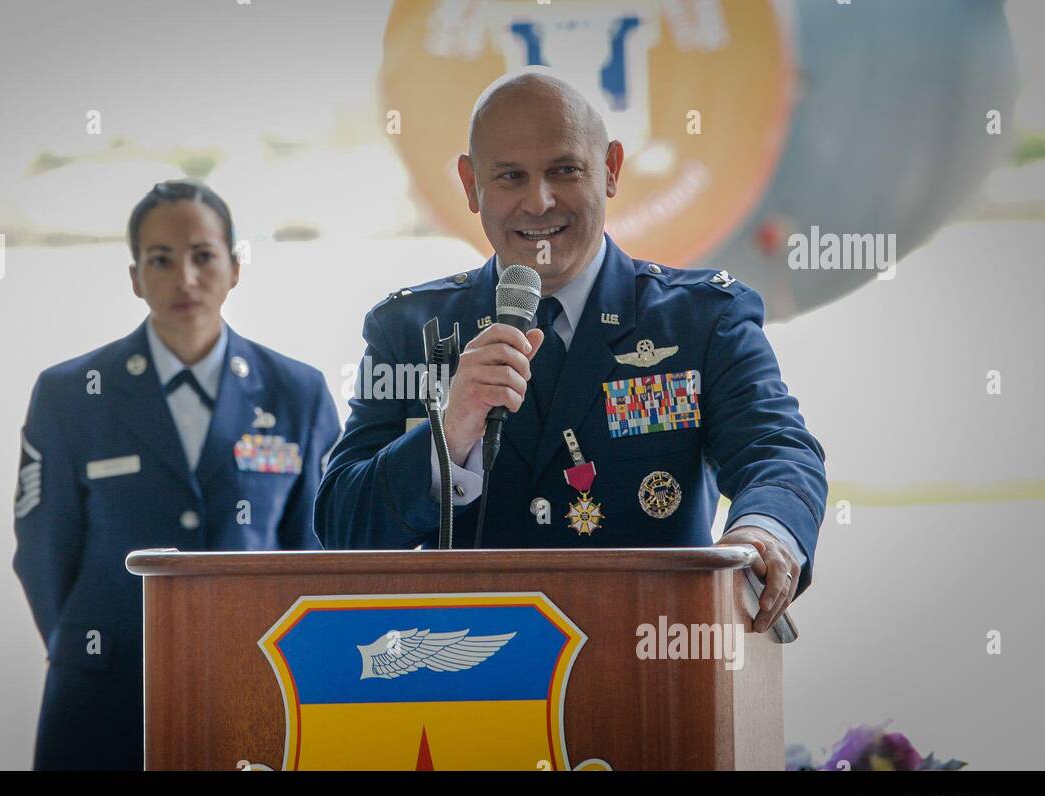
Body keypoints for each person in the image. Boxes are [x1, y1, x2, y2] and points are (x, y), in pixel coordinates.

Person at [314, 70, 827, 635]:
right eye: (510, 176)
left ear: (609, 169)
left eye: (565, 170)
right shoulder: (408, 329)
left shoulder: (702, 319)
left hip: (649, 660)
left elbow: (778, 451)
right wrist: (451, 428)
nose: (540, 201)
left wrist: (762, 532)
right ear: (469, 183)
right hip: (465, 675)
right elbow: (344, 526)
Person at [13, 179, 340, 770]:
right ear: (136, 277)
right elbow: (43, 551)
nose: (184, 278)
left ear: (235, 267)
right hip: (101, 695)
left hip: (253, 688)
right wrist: (89, 651)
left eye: (203, 256)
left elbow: (314, 553)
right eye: (161, 260)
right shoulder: (71, 394)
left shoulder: (298, 392)